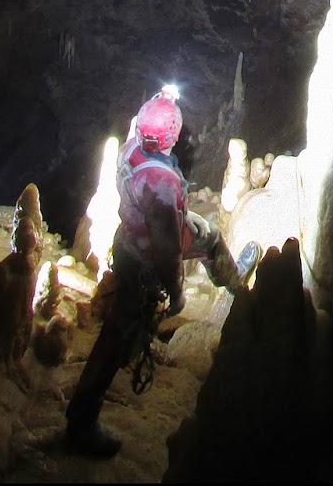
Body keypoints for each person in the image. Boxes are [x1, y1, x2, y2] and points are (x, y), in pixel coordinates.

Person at [66, 86, 261, 457]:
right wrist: (177, 292)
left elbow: (149, 169)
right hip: (146, 257)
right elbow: (167, 250)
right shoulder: (163, 185)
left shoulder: (131, 148)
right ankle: (81, 421)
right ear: (172, 136)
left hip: (130, 237)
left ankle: (233, 282)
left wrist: (161, 99)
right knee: (116, 340)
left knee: (209, 235)